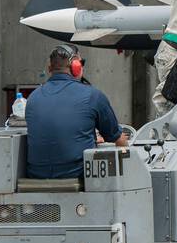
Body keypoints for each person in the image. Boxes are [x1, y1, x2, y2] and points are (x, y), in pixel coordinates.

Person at [25, 45, 128, 179]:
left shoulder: (33, 97)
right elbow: (117, 138)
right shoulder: (92, 95)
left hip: (36, 176)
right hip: (77, 175)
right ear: (76, 66)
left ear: (50, 68)